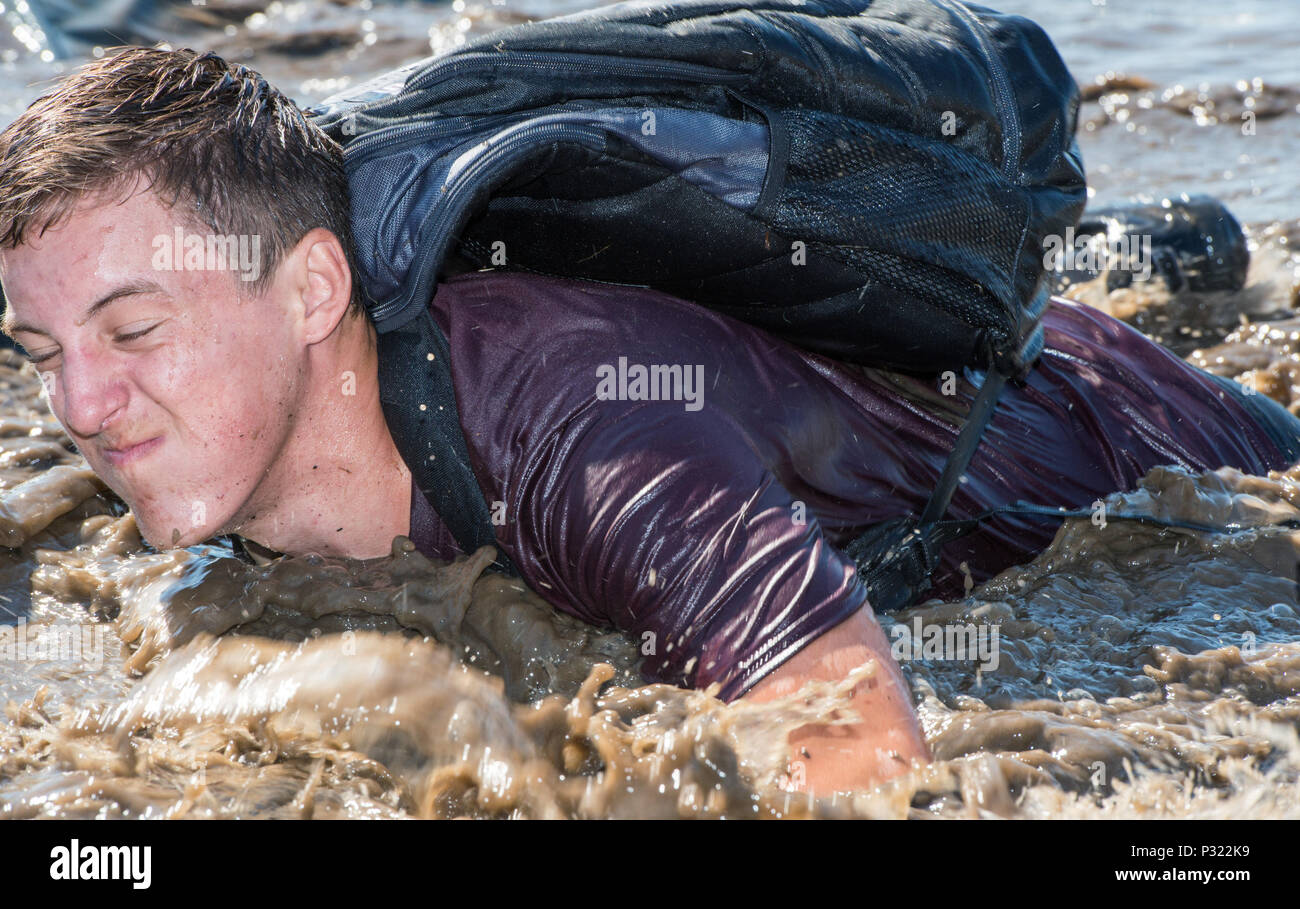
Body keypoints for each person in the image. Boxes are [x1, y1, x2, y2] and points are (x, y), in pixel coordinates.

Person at [1, 47, 1296, 796]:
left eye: (133, 331)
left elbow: (863, 753)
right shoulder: (246, 472)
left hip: (1130, 441)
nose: (78, 407)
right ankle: (1160, 250)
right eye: (43, 351)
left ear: (315, 291)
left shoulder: (587, 424)